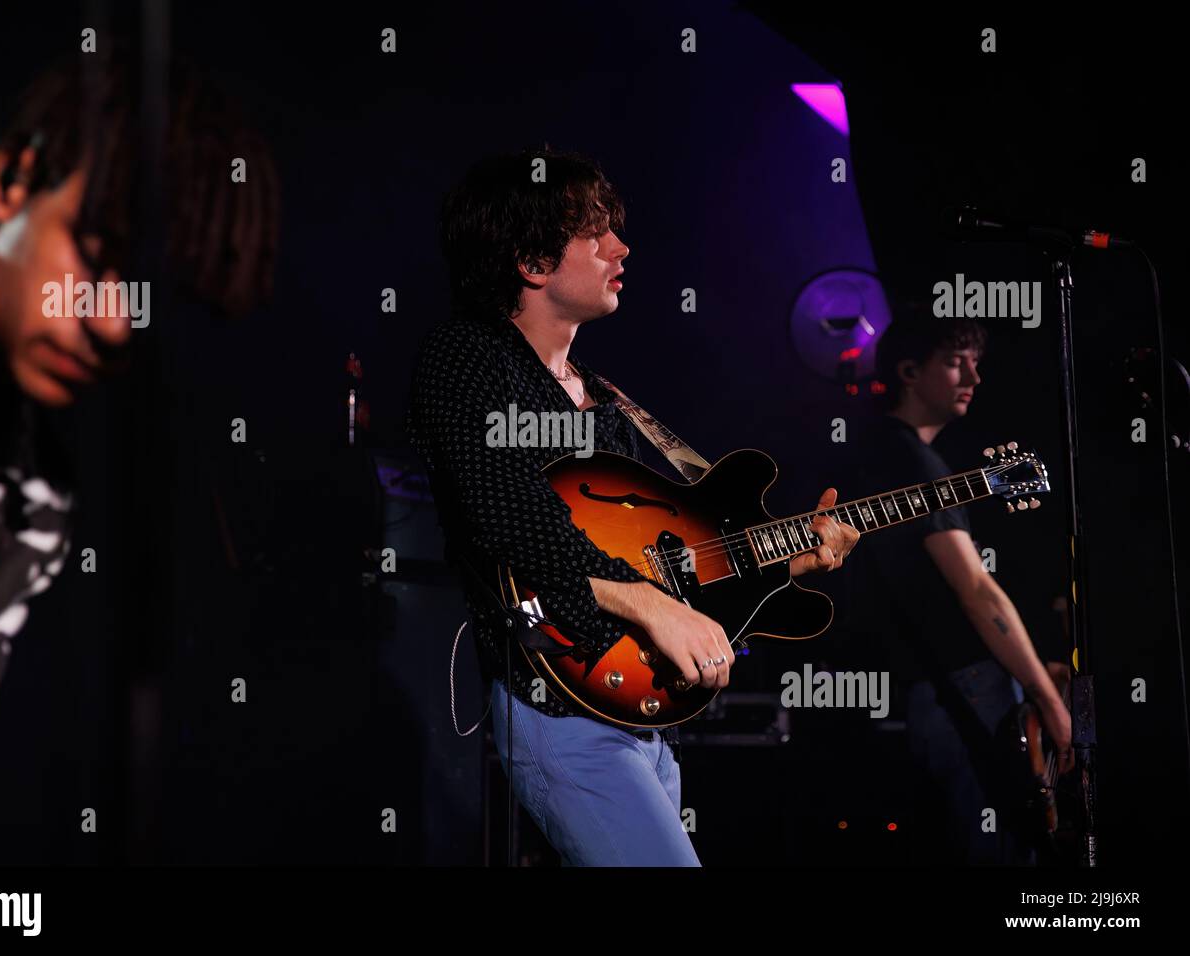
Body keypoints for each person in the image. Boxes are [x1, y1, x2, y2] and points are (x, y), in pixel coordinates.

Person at [406, 147, 858, 866]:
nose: (622, 246)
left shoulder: (610, 409)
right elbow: (512, 522)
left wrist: (782, 558)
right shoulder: (465, 358)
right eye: (594, 231)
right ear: (531, 260)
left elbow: (667, 564)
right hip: (557, 707)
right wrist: (651, 607)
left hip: (641, 716)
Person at [0, 41, 279, 865]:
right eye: (96, 254)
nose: (111, 323)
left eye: (144, 296)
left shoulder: (40, 485)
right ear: (11, 183)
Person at [848, 314, 1073, 865]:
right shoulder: (911, 460)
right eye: (954, 363)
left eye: (976, 362)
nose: (973, 376)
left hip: (927, 687)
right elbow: (976, 589)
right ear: (908, 371)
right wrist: (1048, 698)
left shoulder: (885, 452)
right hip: (962, 684)